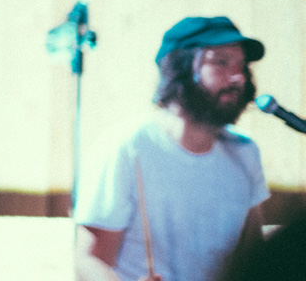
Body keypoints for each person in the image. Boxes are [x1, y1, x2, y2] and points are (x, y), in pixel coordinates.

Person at [73, 16, 269, 281]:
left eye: (242, 65)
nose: (237, 77)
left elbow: (253, 259)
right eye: (221, 62)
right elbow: (89, 262)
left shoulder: (244, 152)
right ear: (180, 67)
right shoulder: (126, 149)